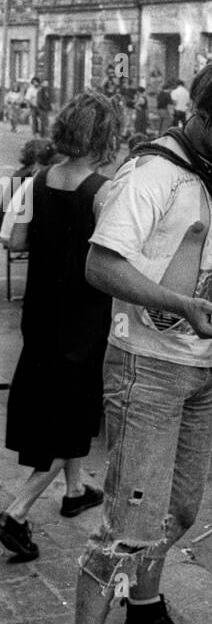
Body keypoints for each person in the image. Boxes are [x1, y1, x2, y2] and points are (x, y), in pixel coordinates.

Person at [50, 59, 212, 624]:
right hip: (146, 369)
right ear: (201, 117)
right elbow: (100, 265)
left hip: (201, 367)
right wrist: (178, 302)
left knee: (178, 509)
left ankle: (142, 620)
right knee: (126, 523)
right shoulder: (151, 174)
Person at [0, 93, 120, 563]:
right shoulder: (103, 191)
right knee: (69, 417)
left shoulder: (38, 181)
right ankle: (17, 512)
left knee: (54, 403)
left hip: (41, 313)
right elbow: (111, 260)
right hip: (84, 318)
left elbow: (19, 240)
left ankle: (75, 489)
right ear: (105, 138)